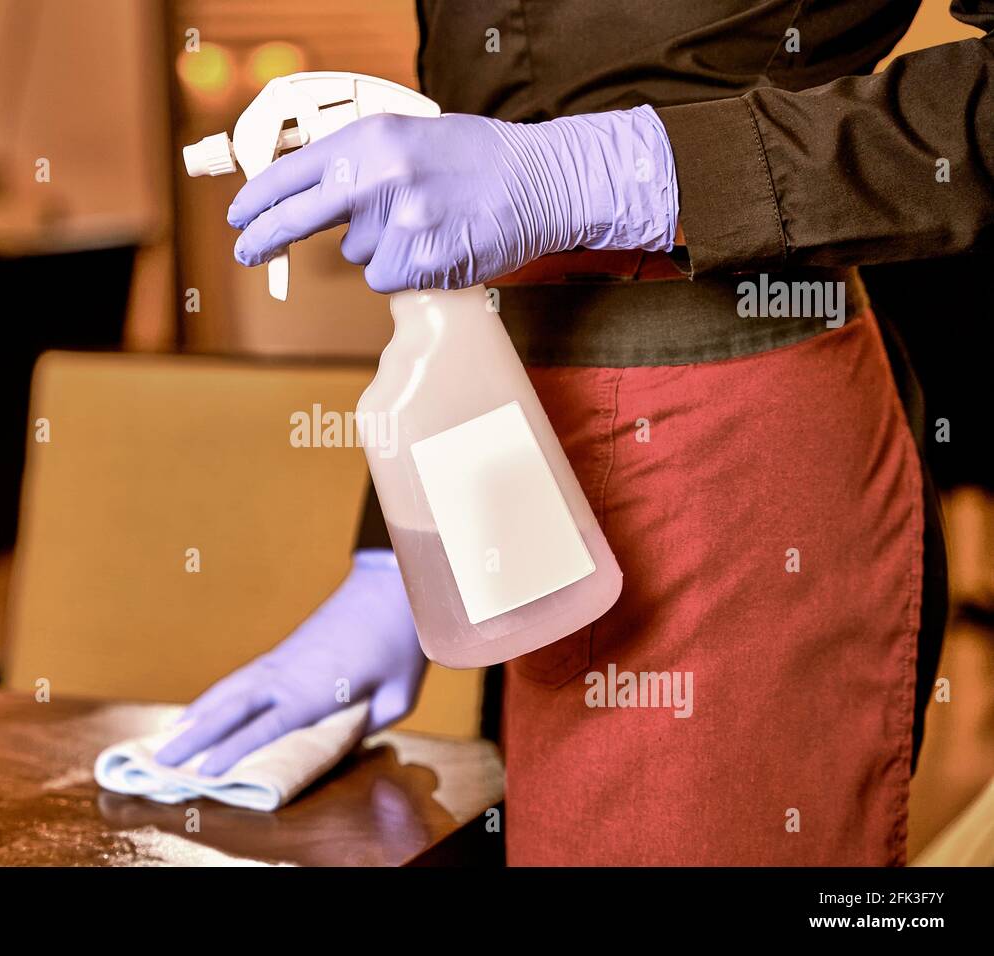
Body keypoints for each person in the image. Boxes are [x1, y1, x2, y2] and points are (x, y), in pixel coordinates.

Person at [157, 0, 993, 865]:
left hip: (735, 462)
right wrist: (396, 555)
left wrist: (628, 174)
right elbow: (464, 220)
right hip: (501, 446)